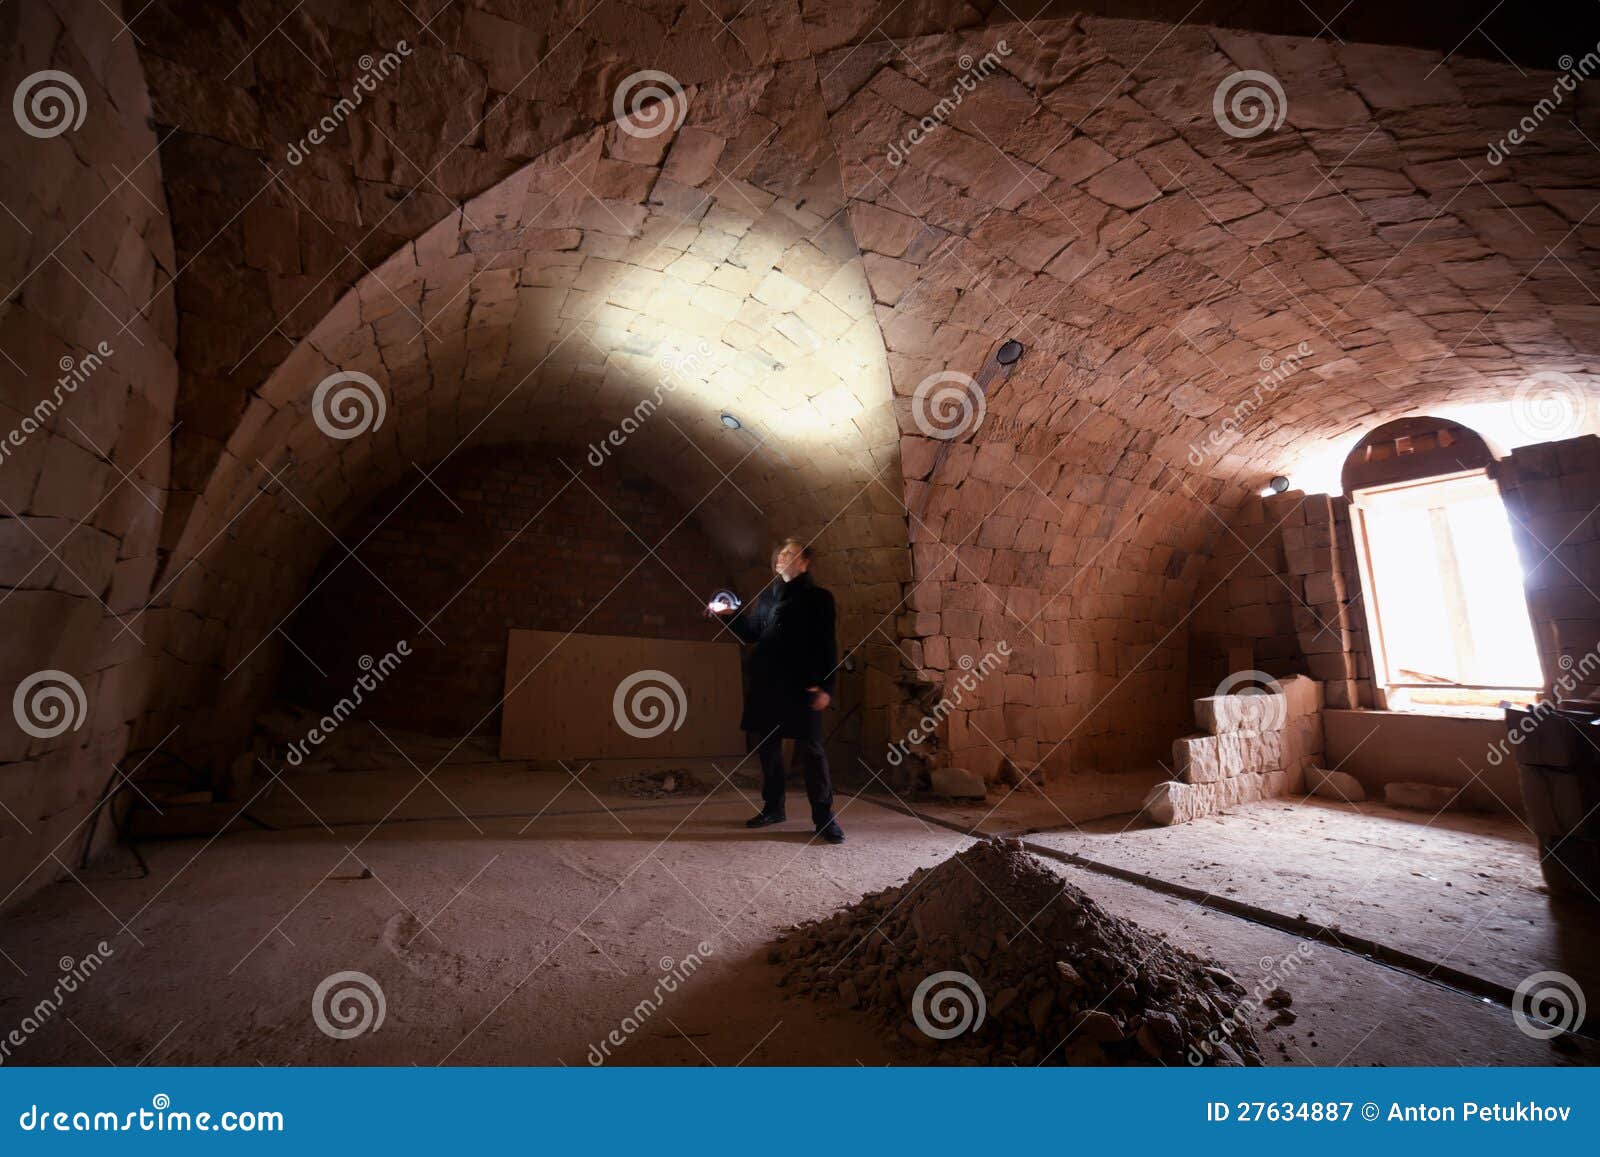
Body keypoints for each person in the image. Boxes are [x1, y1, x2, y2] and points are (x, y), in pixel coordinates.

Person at [710, 538, 845, 844]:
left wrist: (826, 686)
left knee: (811, 751)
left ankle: (824, 818)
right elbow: (753, 633)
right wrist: (728, 614)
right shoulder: (768, 597)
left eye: (790, 553)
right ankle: (773, 808)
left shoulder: (818, 598)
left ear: (805, 562)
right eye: (780, 552)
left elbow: (827, 644)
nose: (782, 556)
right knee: (768, 749)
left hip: (801, 684)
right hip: (768, 685)